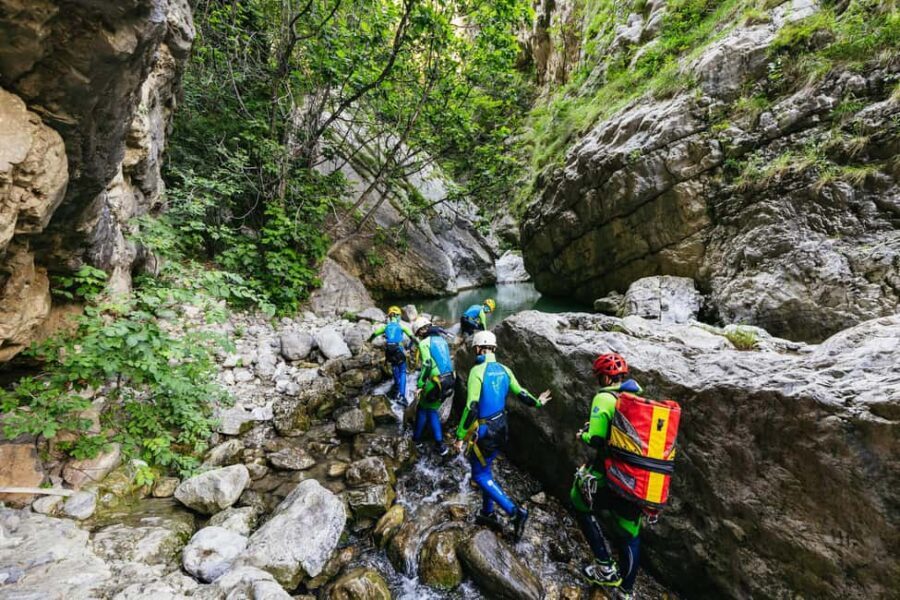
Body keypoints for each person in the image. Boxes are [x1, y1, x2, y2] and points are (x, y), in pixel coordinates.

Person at [454, 330, 551, 541]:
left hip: (484, 431)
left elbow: (471, 406)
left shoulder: (477, 371)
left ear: (478, 349)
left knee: (479, 476)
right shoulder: (505, 370)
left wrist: (460, 434)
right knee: (486, 468)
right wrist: (538, 402)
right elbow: (522, 393)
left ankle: (514, 512)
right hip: (501, 427)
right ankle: (488, 513)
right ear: (494, 349)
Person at [571, 352, 644, 600]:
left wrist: (583, 435)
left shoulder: (603, 397)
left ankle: (605, 567)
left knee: (578, 500)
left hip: (609, 474)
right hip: (637, 478)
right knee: (630, 532)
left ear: (603, 377)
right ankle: (627, 592)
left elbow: (598, 439)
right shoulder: (635, 399)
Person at [411, 317, 454, 456]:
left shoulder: (424, 343)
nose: (419, 336)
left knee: (422, 409)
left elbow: (427, 365)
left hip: (436, 382)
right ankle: (440, 445)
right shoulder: (442, 340)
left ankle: (416, 440)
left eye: (418, 334)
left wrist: (420, 384)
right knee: (431, 410)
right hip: (449, 379)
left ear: (422, 330)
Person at [368, 306, 417, 403]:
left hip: (389, 351)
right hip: (399, 350)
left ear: (390, 316)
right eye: (399, 316)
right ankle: (402, 396)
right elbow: (412, 338)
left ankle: (397, 387)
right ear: (398, 316)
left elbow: (374, 335)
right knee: (403, 371)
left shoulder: (385, 327)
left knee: (395, 367)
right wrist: (418, 345)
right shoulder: (401, 326)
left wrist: (368, 341)